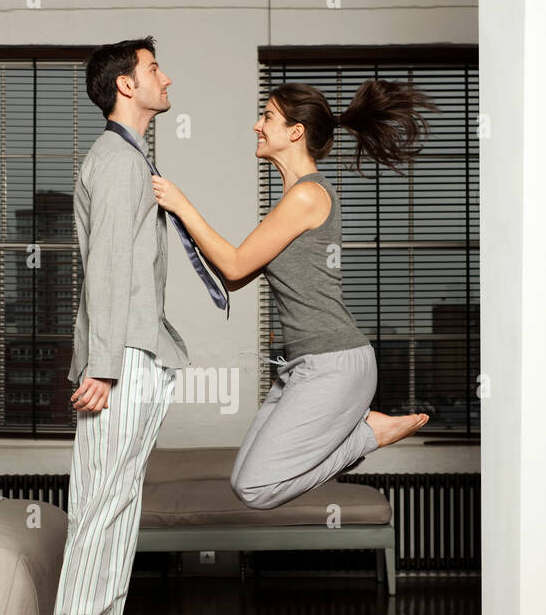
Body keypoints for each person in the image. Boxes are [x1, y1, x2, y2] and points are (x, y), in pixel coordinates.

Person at [151, 80, 435, 510]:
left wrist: (182, 205)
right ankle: (365, 429)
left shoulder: (306, 195)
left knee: (256, 488)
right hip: (305, 363)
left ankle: (368, 434)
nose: (256, 126)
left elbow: (233, 264)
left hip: (333, 361)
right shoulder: (294, 198)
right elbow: (234, 278)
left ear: (295, 132)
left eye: (266, 117)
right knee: (243, 477)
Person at [50, 37, 186, 615]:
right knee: (103, 498)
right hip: (120, 359)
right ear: (127, 86)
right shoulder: (114, 160)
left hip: (139, 353)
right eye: (155, 68)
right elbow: (103, 267)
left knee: (122, 498)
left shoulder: (131, 159)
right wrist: (102, 367)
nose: (166, 76)